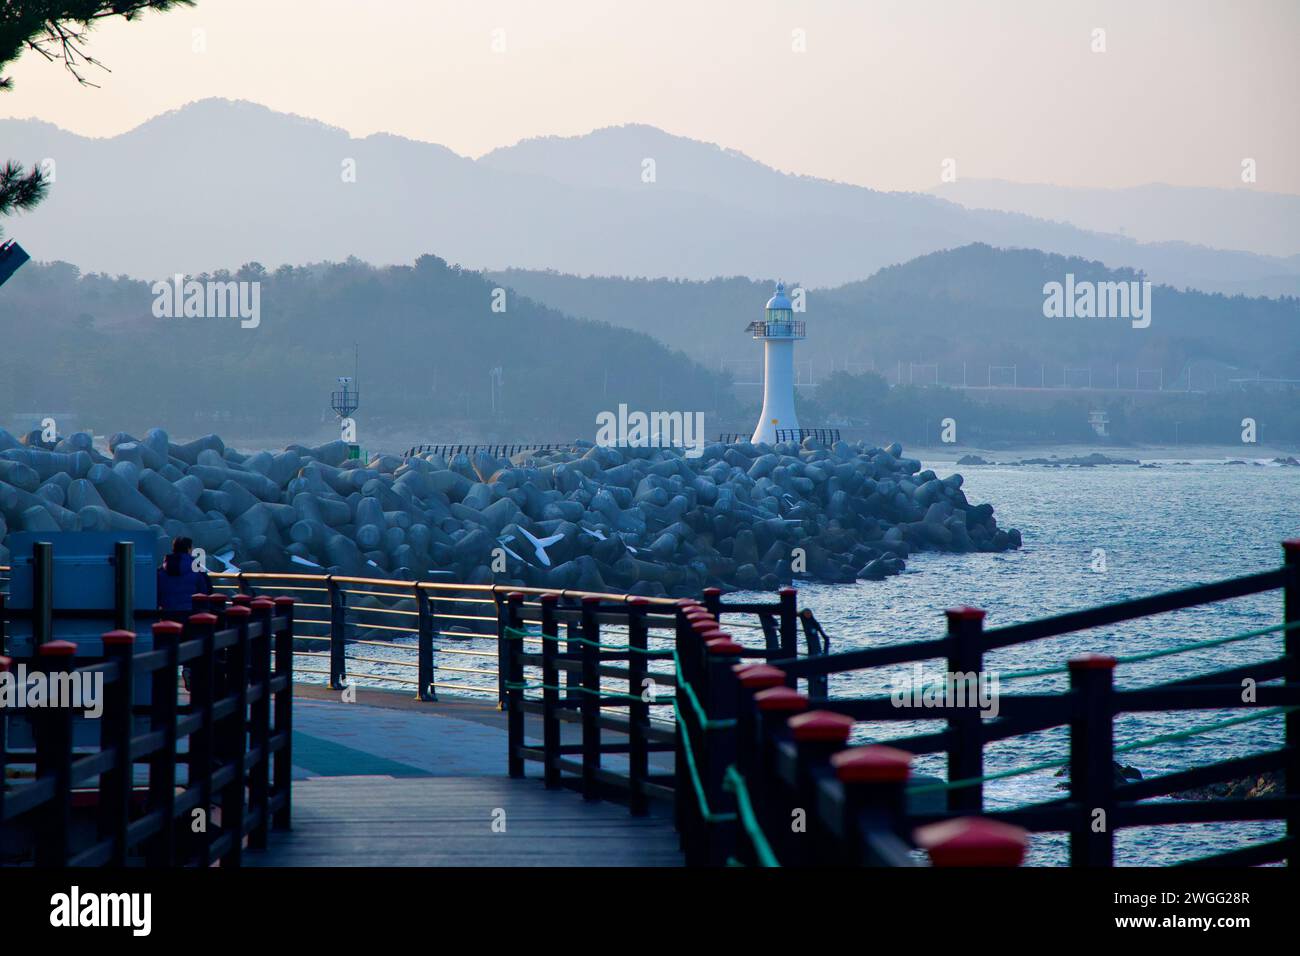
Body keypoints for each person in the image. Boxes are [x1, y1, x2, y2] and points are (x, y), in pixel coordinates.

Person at [157, 536, 212, 611]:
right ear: (188, 549)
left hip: (167, 614)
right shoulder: (196, 569)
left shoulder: (162, 569)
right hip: (191, 614)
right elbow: (206, 590)